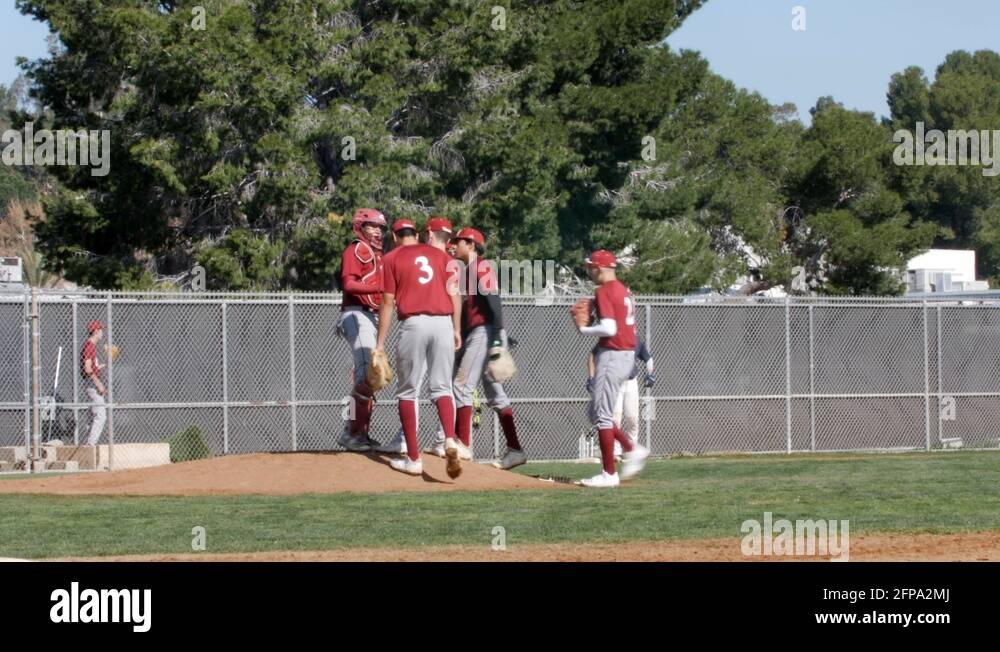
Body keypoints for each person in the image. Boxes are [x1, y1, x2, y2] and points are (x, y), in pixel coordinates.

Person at [424, 227, 526, 469]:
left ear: (471, 244)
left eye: (458, 241)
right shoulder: (467, 270)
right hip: (479, 332)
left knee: (461, 384)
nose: (454, 244)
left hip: (485, 331)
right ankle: (515, 449)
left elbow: (493, 299)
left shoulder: (481, 265)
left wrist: (498, 338)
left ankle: (464, 444)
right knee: (495, 395)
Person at [376, 216, 463, 477]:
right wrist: (457, 328)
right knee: (442, 388)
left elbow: (388, 301)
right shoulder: (444, 258)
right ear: (419, 234)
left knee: (407, 392)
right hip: (444, 323)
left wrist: (380, 343)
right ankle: (449, 437)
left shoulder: (391, 259)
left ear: (394, 237)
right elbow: (455, 294)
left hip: (414, 323)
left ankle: (413, 459)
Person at [576, 250, 649, 487]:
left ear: (600, 268)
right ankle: (631, 449)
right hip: (624, 354)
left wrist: (584, 330)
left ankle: (609, 473)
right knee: (596, 413)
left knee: (603, 416)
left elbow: (608, 328)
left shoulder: (606, 290)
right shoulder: (622, 290)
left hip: (613, 354)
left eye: (591, 268)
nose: (589, 273)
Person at [336, 208, 389, 452]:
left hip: (369, 315)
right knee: (367, 374)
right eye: (372, 226)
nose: (378, 231)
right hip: (356, 313)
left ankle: (359, 432)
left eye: (380, 227)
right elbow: (348, 284)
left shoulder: (377, 254)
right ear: (360, 226)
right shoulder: (355, 249)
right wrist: (377, 288)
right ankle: (350, 432)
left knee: (372, 377)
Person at [587, 339, 655, 456]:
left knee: (632, 418)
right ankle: (615, 452)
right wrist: (591, 377)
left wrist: (650, 373)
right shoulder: (610, 339)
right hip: (614, 382)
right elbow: (592, 356)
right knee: (615, 418)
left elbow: (648, 358)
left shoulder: (635, 340)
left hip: (631, 382)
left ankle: (630, 451)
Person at [80, 320, 108, 446]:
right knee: (101, 415)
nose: (102, 332)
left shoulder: (91, 346)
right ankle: (90, 444)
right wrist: (99, 384)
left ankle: (88, 443)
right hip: (92, 384)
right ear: (96, 331)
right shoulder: (89, 346)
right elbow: (87, 368)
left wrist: (100, 366)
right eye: (101, 330)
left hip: (91, 382)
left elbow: (91, 367)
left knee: (93, 415)